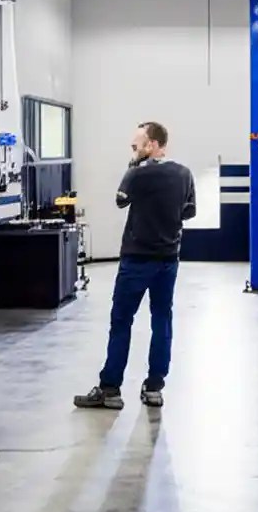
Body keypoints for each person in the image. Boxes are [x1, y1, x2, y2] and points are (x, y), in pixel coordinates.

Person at [75, 122, 195, 410]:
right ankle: (154, 388)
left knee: (121, 321)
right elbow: (189, 212)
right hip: (168, 260)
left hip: (136, 259)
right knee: (162, 320)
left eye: (136, 145)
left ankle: (110, 389)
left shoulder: (137, 173)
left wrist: (133, 165)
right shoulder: (184, 174)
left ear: (151, 144)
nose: (133, 150)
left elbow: (121, 200)